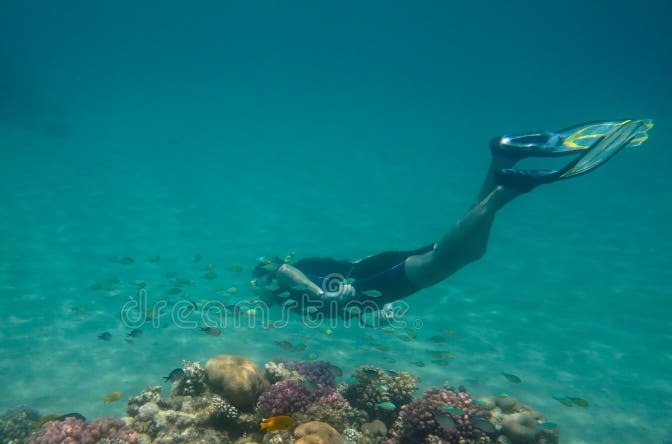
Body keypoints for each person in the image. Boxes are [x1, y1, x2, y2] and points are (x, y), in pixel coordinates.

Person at [251, 118, 653, 321]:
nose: (258, 298)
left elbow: (282, 267)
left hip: (371, 281)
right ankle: (503, 159)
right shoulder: (293, 303)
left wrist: (324, 296)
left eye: (258, 290)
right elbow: (336, 274)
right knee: (461, 247)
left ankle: (509, 187)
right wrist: (376, 307)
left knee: (458, 254)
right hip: (372, 280)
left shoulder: (285, 287)